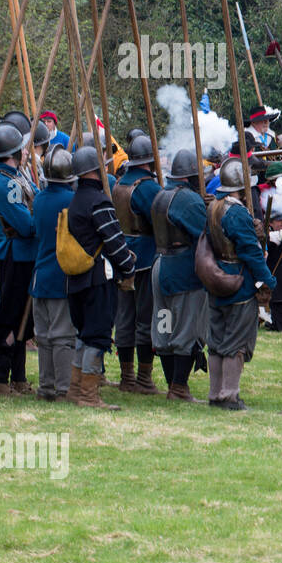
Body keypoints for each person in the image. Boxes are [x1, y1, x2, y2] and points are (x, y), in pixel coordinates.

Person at [65, 145, 137, 410]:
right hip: (97, 279)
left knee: (84, 334)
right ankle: (87, 395)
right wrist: (128, 267)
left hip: (78, 279)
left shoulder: (76, 200)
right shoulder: (98, 202)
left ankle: (75, 390)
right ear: (96, 171)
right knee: (96, 335)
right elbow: (115, 242)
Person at [204, 158, 276, 411]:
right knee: (236, 341)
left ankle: (216, 393)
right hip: (238, 281)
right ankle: (228, 395)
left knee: (217, 339)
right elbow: (250, 252)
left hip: (216, 276)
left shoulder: (214, 206)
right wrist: (267, 279)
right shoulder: (235, 212)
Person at [149, 149, 209, 402]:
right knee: (185, 327)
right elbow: (204, 234)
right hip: (182, 270)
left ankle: (173, 384)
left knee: (165, 326)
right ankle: (179, 387)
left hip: (160, 266)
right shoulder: (188, 200)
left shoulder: (160, 194)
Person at [0, 122, 37, 395]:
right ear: (14, 153)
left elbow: (36, 201)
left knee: (23, 321)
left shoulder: (19, 176)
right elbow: (27, 225)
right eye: (22, 150)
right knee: (11, 315)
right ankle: (1, 379)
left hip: (28, 256)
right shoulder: (4, 183)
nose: (26, 153)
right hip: (17, 256)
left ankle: (18, 377)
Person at [112, 136, 163, 394]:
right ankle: (142, 378)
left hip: (121, 257)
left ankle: (126, 377)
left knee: (124, 319)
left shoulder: (120, 183)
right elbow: (161, 222)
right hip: (144, 258)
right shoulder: (147, 188)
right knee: (144, 320)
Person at [30, 148, 78, 401]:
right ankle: (62, 389)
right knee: (62, 336)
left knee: (45, 336)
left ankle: (46, 387)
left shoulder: (39, 199)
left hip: (40, 275)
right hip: (60, 275)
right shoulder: (71, 201)